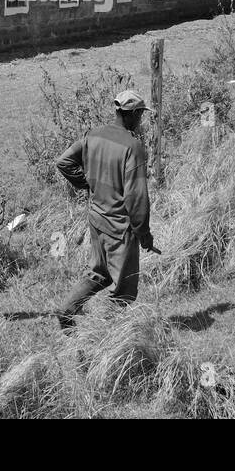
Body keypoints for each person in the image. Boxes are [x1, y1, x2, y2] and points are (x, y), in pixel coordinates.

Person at [54, 88, 155, 330]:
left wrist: (86, 182)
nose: (141, 120)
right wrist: (144, 233)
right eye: (140, 114)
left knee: (99, 273)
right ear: (131, 114)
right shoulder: (133, 147)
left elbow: (64, 161)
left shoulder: (93, 136)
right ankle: (106, 338)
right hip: (120, 227)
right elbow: (136, 197)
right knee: (124, 288)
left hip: (96, 219)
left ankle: (67, 309)